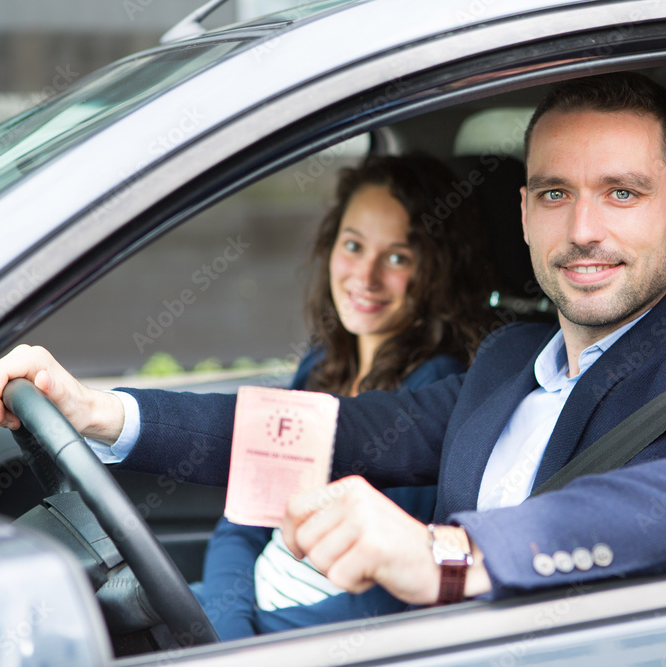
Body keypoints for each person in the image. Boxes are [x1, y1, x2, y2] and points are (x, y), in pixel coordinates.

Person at [0, 72, 666, 609]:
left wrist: (451, 553)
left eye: (624, 193)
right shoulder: (505, 362)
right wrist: (102, 412)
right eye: (555, 193)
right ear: (524, 214)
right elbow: (326, 432)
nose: (585, 228)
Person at [194, 153, 490, 638]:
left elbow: (379, 600)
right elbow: (242, 523)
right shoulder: (322, 362)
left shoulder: (436, 392)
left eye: (397, 257)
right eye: (353, 246)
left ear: (437, 270)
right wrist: (229, 630)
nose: (365, 276)